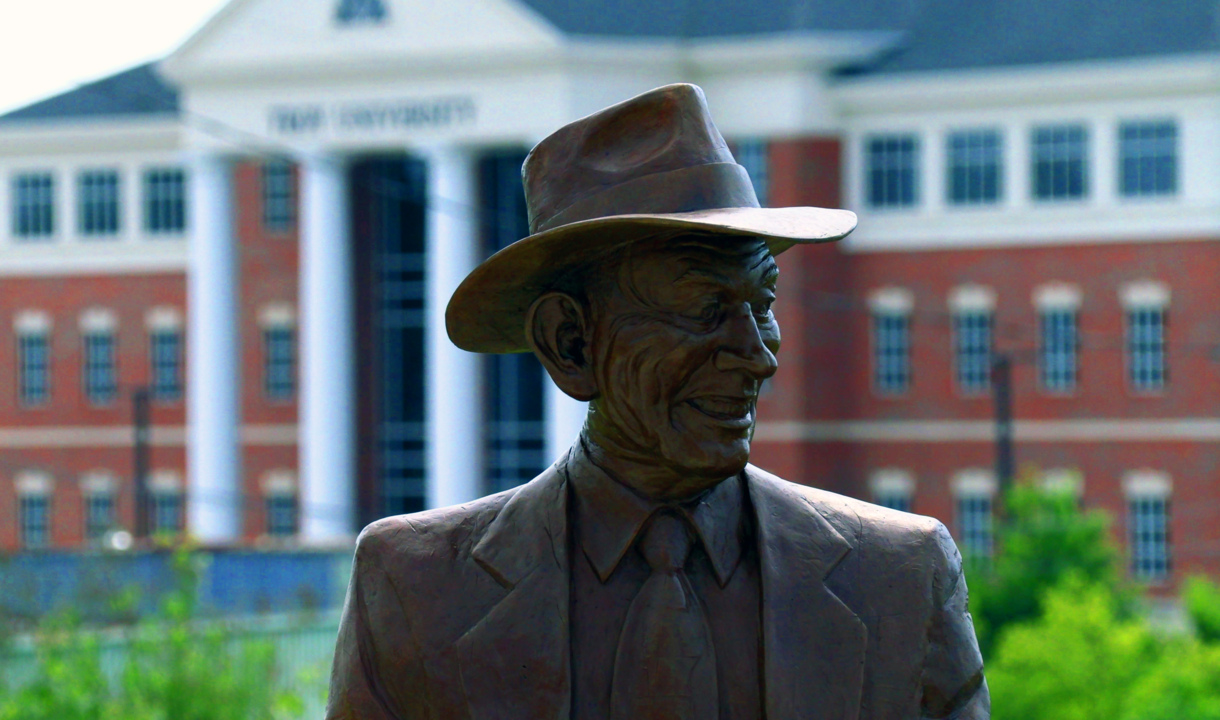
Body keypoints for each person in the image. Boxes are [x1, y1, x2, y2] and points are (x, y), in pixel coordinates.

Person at [326, 83, 989, 720]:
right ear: (571, 344)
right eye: (704, 310)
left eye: (761, 307)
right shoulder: (415, 587)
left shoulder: (900, 579)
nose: (757, 356)